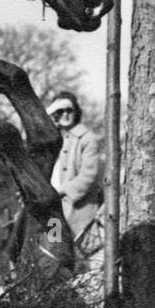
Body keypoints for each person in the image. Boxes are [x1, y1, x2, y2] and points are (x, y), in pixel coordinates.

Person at [47, 92, 103, 260]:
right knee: (53, 255)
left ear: (76, 112)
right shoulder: (51, 141)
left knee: (90, 258)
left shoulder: (87, 139)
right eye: (60, 110)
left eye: (69, 110)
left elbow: (89, 175)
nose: (65, 114)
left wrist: (62, 192)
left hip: (80, 211)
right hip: (54, 212)